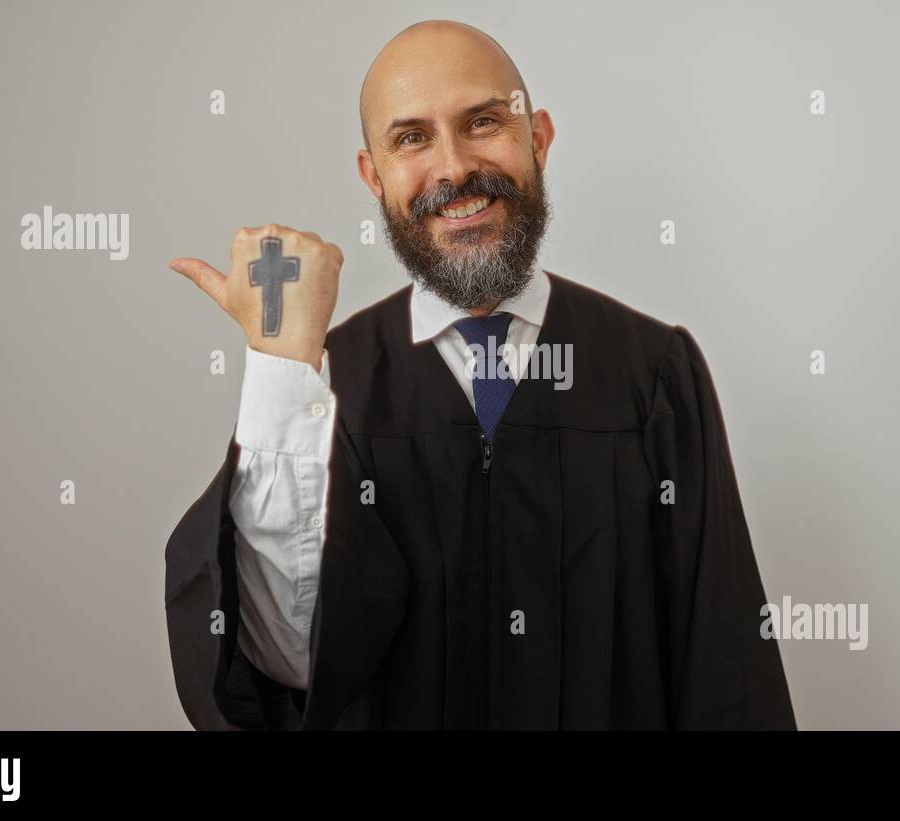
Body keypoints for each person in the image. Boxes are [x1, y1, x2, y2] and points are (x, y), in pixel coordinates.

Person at [165, 19, 795, 730]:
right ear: (374, 176)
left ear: (539, 139)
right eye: (411, 138)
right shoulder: (322, 387)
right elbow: (285, 662)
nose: (456, 167)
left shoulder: (652, 375)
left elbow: (724, 663)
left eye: (484, 121)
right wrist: (281, 370)